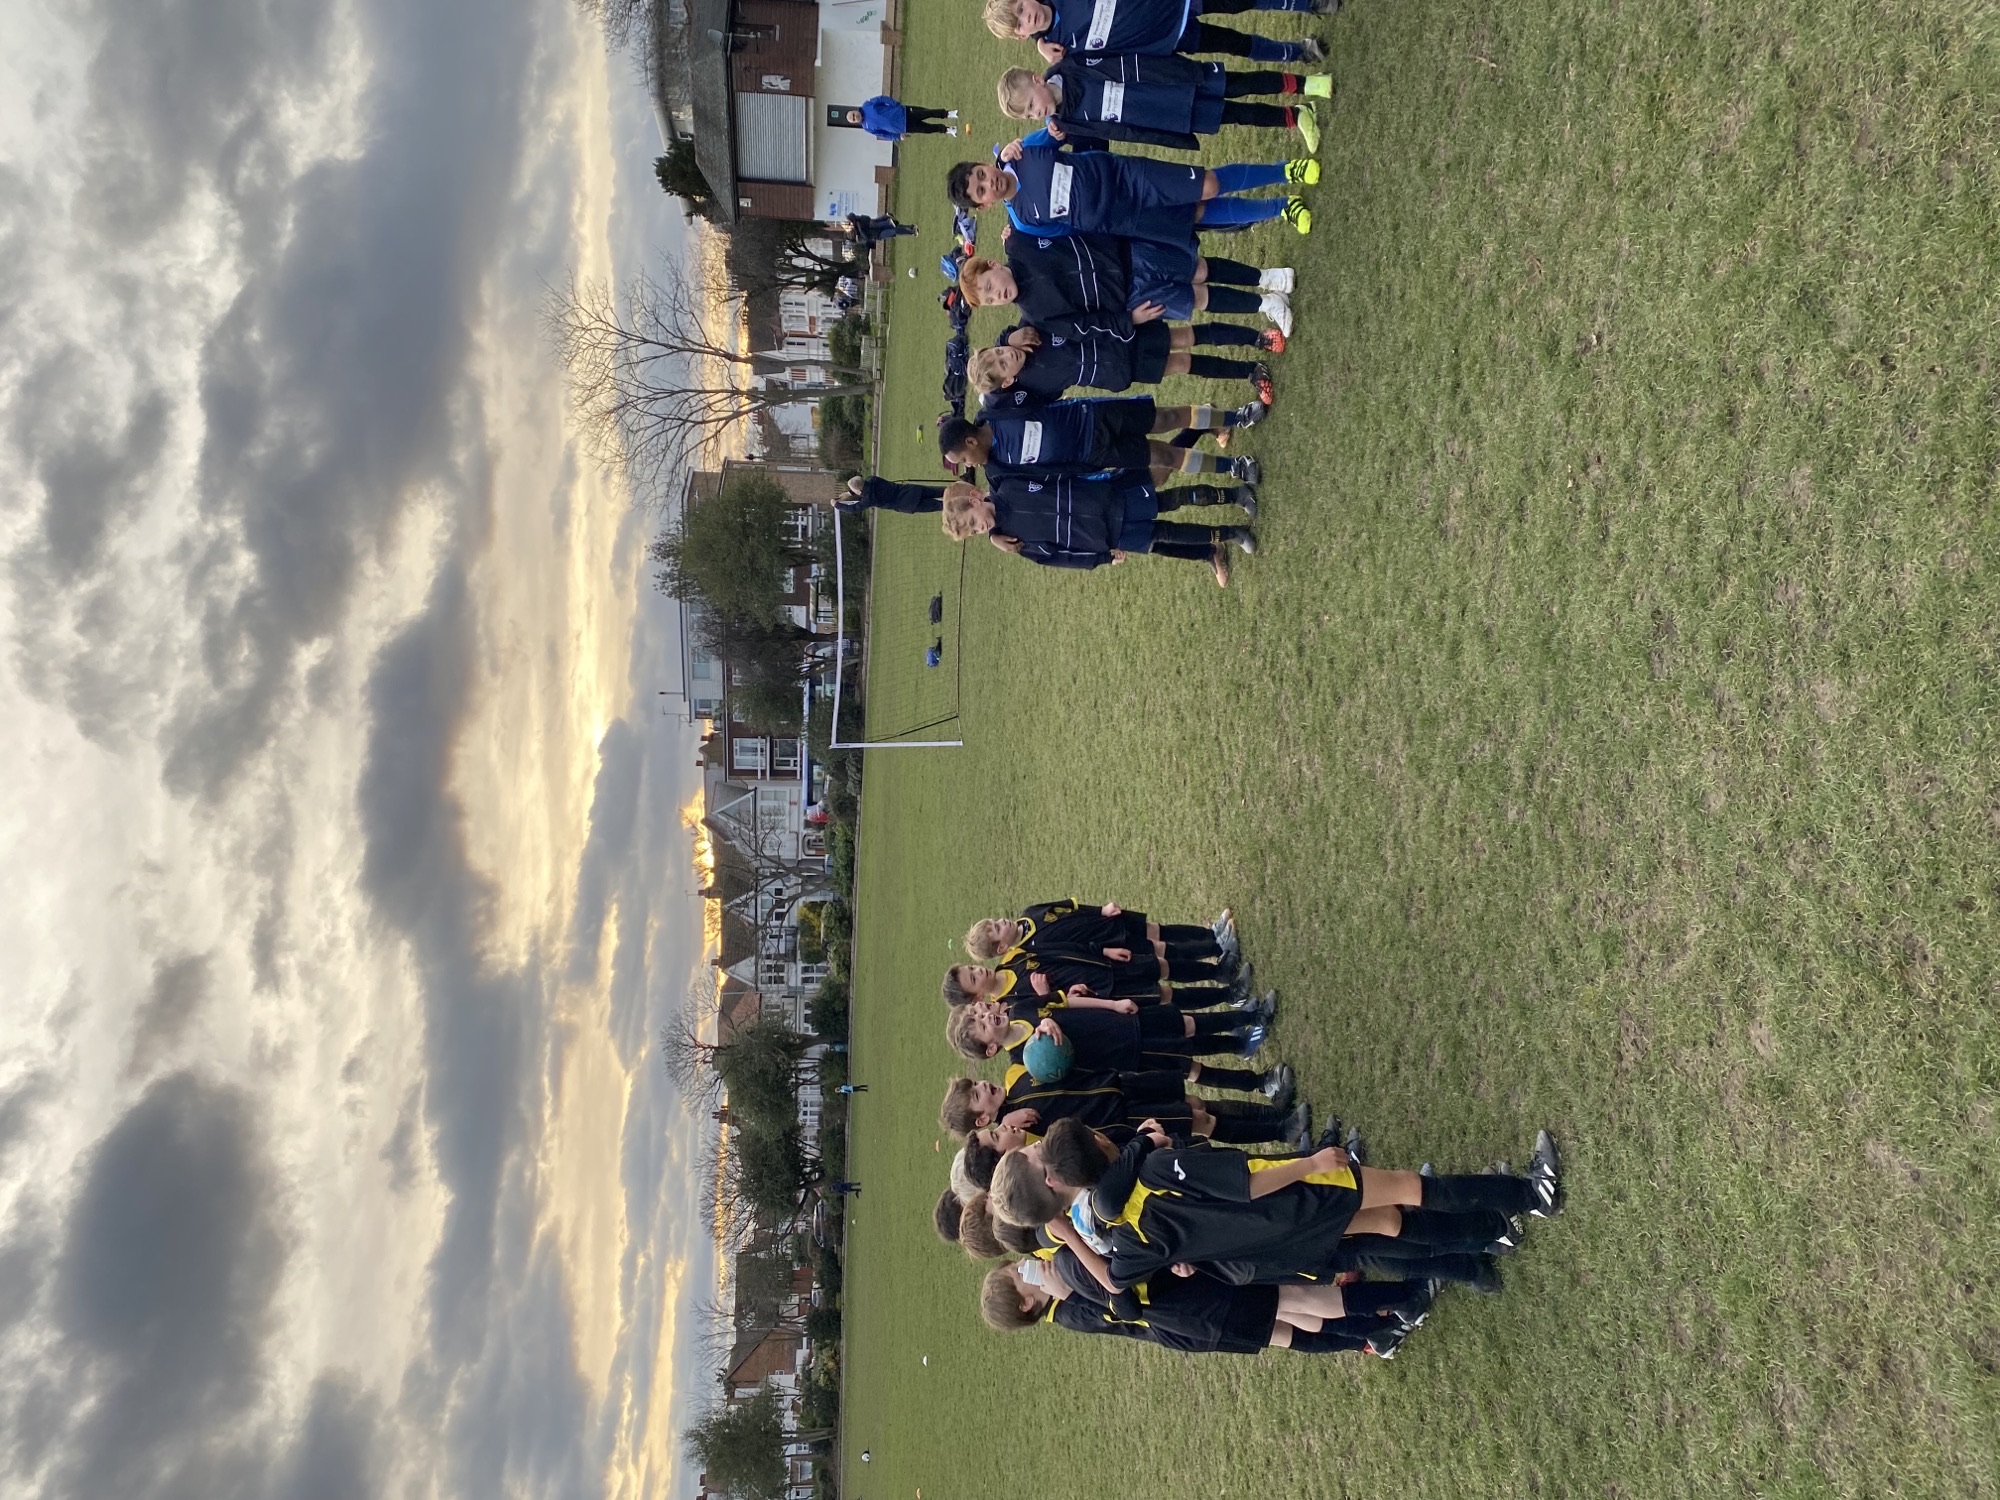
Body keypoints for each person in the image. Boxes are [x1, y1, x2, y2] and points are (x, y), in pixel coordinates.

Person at [1045, 1117, 1562, 1290]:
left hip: (1281, 1244)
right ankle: (1530, 1195)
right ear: (1099, 1141)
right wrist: (1311, 1165)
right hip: (1294, 1197)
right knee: (1409, 1188)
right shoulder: (1153, 1174)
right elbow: (1244, 1183)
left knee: (1385, 1222)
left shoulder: (1123, 1235)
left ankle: (1491, 1232)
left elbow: (1115, 1278)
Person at [980, 1250, 1427, 1358]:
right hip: (1194, 1314)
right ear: (1026, 1305)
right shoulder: (1070, 1307)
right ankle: (1402, 1303)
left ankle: (1375, 1330)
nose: (1024, 1266)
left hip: (1192, 1315)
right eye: (1018, 1276)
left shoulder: (1065, 1291)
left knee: (1290, 1320)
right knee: (1295, 1308)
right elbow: (1124, 1306)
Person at [948, 137, 1317, 240]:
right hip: (1124, 218)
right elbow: (1070, 229)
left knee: (1207, 184)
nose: (987, 183)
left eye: (981, 174)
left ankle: (1286, 170)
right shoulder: (1025, 221)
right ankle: (1281, 208)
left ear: (984, 164)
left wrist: (1007, 149)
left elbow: (1058, 125)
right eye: (981, 191)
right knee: (1198, 212)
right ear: (984, 206)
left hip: (1127, 176)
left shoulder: (1026, 150)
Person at [941, 477, 1256, 586]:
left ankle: (1236, 495)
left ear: (974, 499)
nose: (979, 529)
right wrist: (1100, 558)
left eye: (972, 521)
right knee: (1166, 535)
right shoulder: (1012, 542)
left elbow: (1057, 471)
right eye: (973, 533)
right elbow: (1058, 558)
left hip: (1108, 498)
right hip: (1106, 536)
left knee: (1168, 500)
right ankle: (1233, 534)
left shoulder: (1008, 483)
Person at [998, 57, 1332, 154]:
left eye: (1030, 103)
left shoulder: (1071, 65)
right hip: (1168, 117)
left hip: (1169, 81)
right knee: (1237, 115)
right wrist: (1060, 138)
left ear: (1037, 79)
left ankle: (1304, 84)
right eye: (1028, 115)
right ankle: (1296, 117)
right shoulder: (1067, 124)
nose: (1034, 113)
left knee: (1239, 84)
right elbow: (1099, 145)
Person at [938, 1068, 1303, 1147]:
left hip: (1123, 1088)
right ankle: (1281, 1131)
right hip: (1125, 1120)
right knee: (1201, 1122)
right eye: (976, 1095)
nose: (982, 1086)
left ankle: (1275, 1111)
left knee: (1195, 1102)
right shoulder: (1019, 1135)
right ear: (984, 1119)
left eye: (975, 1085)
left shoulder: (1018, 1077)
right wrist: (1020, 1125)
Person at [937, 401, 1261, 484]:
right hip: (1096, 452)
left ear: (970, 440)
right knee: (1164, 456)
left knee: (1166, 419)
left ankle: (1237, 416)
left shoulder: (996, 411)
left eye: (964, 458)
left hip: (1094, 416)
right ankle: (1233, 466)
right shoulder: (999, 468)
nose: (969, 465)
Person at [982, 0, 1333, 66]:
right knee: (1235, 44)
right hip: (1168, 37)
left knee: (1241, 0)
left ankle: (1309, 2)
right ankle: (1297, 52)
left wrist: (1038, 40)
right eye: (1022, 22)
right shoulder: (1061, 51)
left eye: (1021, 6)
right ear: (1020, 35)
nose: (1028, 14)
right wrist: (1042, 43)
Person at [839, 96, 960, 140]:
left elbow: (881, 99)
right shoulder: (867, 127)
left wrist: (894, 104)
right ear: (855, 122)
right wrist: (897, 136)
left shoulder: (867, 105)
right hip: (903, 127)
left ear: (855, 110)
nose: (856, 117)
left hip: (904, 112)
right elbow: (882, 134)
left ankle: (949, 114)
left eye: (854, 114)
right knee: (926, 129)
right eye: (854, 119)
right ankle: (949, 130)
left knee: (927, 113)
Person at [837, 475, 947, 515]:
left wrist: (836, 505)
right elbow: (861, 485)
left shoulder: (869, 499)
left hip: (909, 504)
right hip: (912, 490)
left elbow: (853, 508)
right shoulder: (873, 479)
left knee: (942, 506)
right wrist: (848, 493)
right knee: (943, 491)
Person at [845, 212, 919, 250]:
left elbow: (868, 221)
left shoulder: (858, 225)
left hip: (877, 229)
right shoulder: (859, 238)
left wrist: (857, 223)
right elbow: (867, 238)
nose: (852, 233)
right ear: (852, 238)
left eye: (851, 232)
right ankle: (912, 232)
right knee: (894, 231)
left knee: (894, 227)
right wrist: (860, 230)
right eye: (851, 234)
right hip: (878, 234)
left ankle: (911, 228)